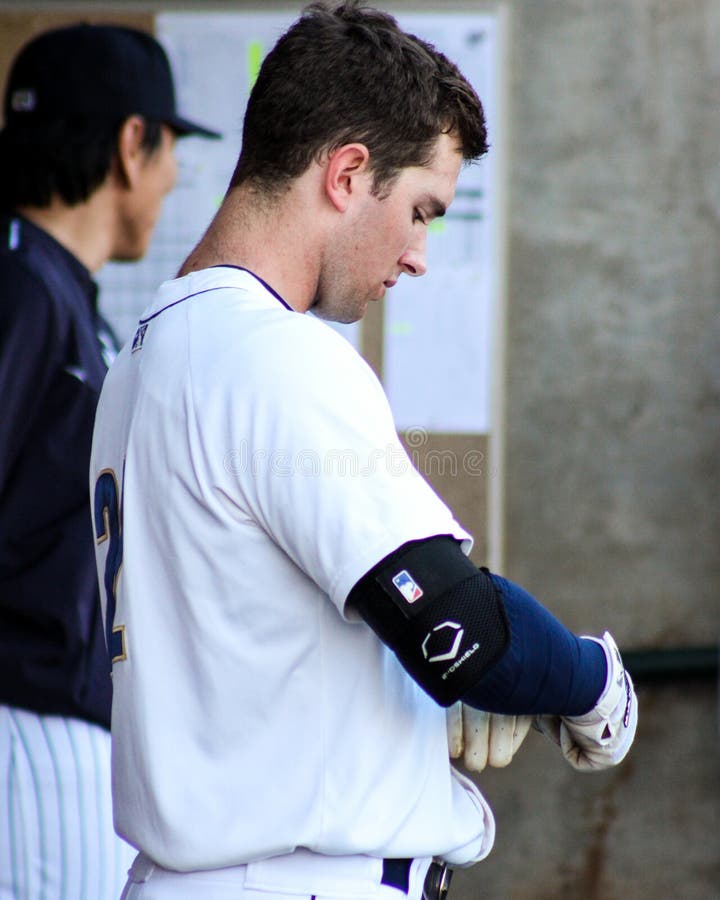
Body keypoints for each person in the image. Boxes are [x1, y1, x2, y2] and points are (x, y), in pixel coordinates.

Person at [89, 4, 638, 899]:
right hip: (300, 880)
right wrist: (591, 681)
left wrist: (403, 705)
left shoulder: (143, 355)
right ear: (347, 172)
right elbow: (459, 629)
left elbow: (267, 631)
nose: (420, 255)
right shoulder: (274, 352)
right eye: (421, 210)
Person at [0, 22, 219, 900]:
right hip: (27, 730)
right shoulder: (20, 288)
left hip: (59, 731)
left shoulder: (52, 288)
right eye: (168, 149)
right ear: (134, 144)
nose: (171, 181)